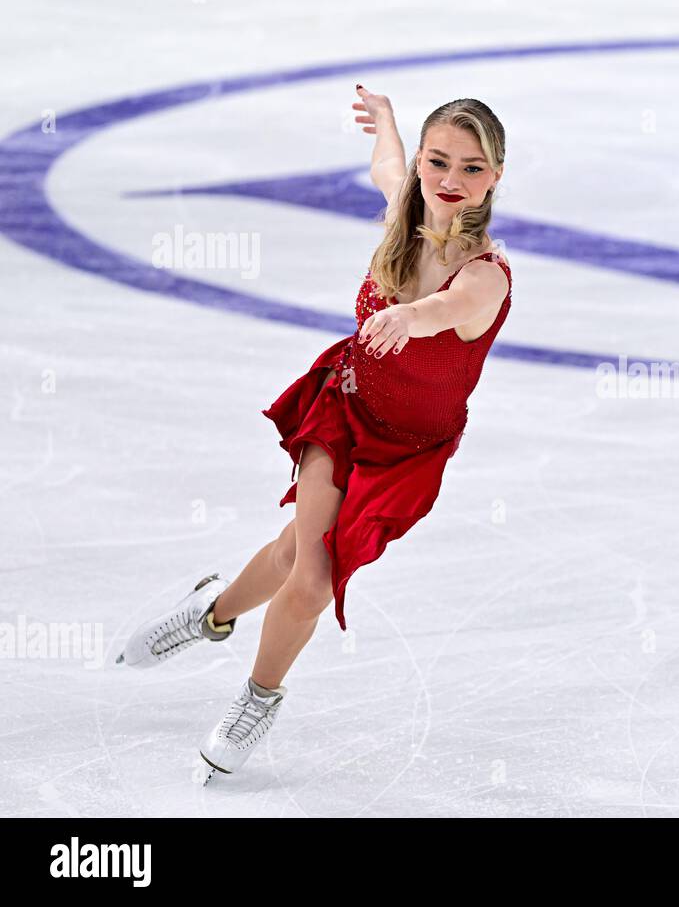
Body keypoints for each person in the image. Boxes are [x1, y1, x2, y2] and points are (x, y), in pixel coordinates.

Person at [119, 86, 514, 781]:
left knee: (291, 553)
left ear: (497, 176)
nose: (451, 182)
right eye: (439, 161)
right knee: (312, 573)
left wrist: (408, 318)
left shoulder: (485, 276)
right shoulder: (404, 211)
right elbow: (385, 166)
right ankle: (258, 699)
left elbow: (446, 308)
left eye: (472, 168)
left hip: (409, 452)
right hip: (344, 406)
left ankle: (209, 613)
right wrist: (388, 124)